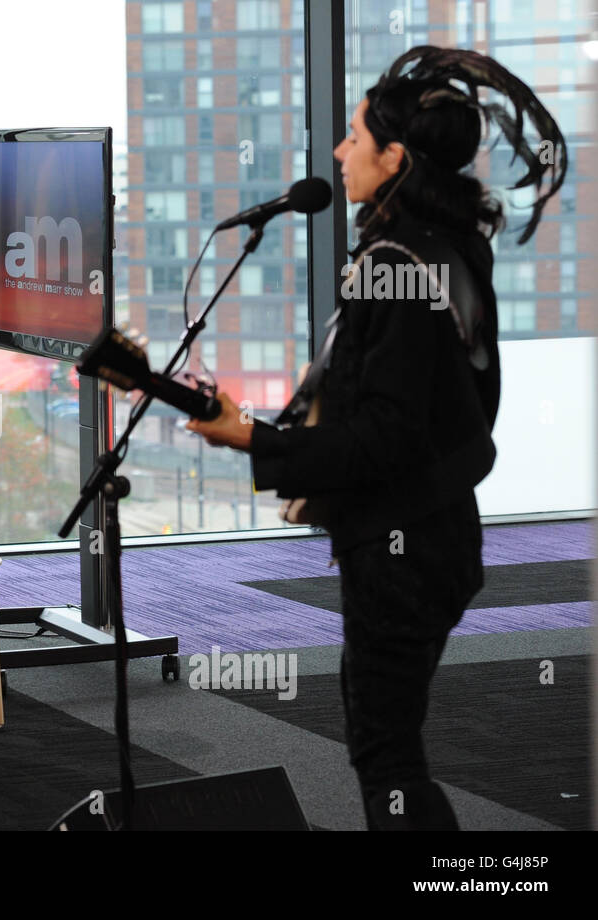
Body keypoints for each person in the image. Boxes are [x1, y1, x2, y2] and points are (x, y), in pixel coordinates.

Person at [186, 46, 566, 830]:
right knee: (390, 749)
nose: (338, 152)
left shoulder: (396, 264)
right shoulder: (452, 245)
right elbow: (433, 412)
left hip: (405, 549)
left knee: (386, 759)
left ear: (394, 158)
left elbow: (384, 438)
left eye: (354, 137)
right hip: (440, 535)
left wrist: (253, 439)